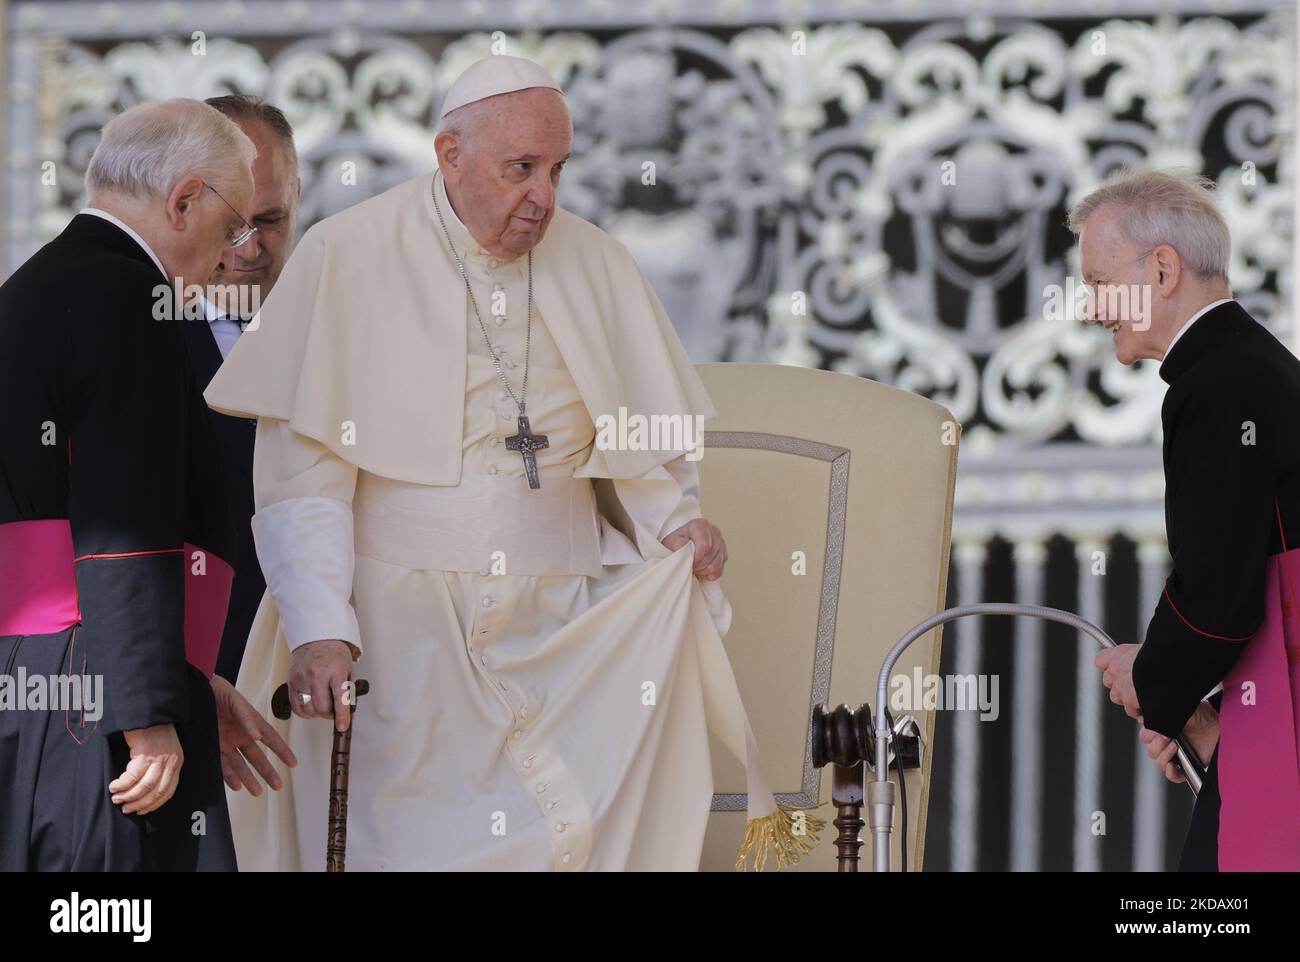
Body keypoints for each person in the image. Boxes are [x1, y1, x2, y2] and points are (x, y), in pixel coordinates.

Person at [206, 55, 820, 871]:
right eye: (521, 169)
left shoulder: (596, 259)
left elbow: (642, 441)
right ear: (450, 155)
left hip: (568, 625)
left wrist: (677, 525)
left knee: (577, 840)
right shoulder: (347, 253)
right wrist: (320, 627)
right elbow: (303, 474)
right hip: (403, 635)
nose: (544, 197)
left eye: (558, 170)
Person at [0, 99, 255, 869]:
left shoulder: (34, 285)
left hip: (40, 674)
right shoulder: (128, 296)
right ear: (183, 200)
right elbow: (122, 523)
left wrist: (189, 678)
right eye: (234, 223)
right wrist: (147, 708)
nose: (234, 251)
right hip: (100, 698)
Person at [1078, 169, 1300, 870]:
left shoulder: (1216, 383)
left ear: (1164, 268)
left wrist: (1154, 679)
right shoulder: (1252, 364)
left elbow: (1220, 597)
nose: (1089, 309)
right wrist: (1193, 712)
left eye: (1098, 283)